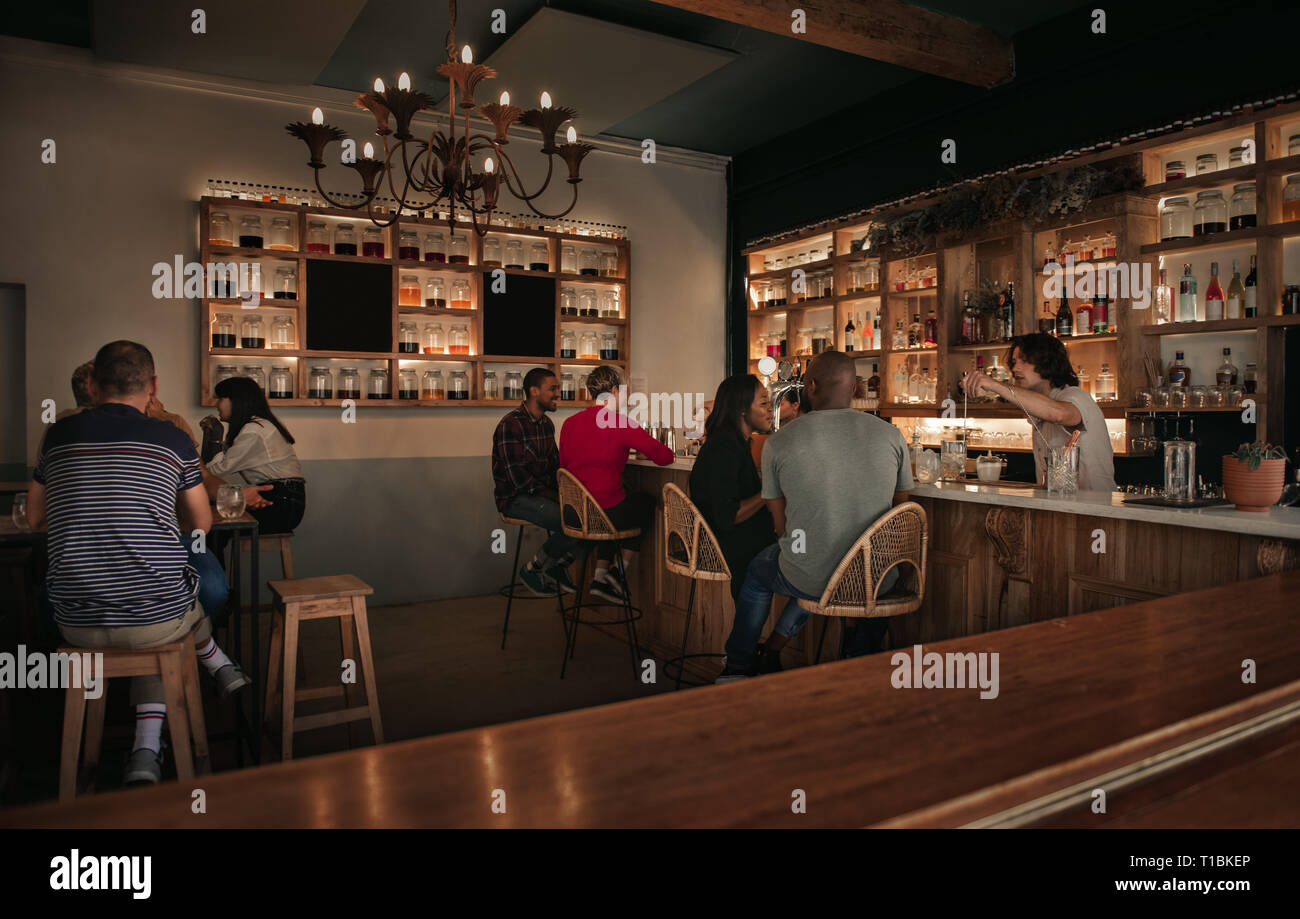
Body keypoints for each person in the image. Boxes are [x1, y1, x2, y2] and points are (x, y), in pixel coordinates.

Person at [25, 341, 251, 786]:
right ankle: (149, 746)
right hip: (154, 619)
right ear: (153, 387)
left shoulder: (57, 435)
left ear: (91, 385)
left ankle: (120, 756)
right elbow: (201, 522)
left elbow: (35, 518)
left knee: (156, 605)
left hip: (73, 620)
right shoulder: (171, 438)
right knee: (169, 611)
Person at [718, 351, 913, 681]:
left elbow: (781, 526)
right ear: (855, 389)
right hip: (877, 578)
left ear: (809, 386)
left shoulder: (778, 443)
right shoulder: (892, 435)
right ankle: (859, 657)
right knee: (868, 574)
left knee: (760, 570)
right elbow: (901, 508)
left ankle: (737, 667)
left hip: (808, 576)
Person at [559, 365, 674, 604]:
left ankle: (601, 577)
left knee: (619, 501)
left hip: (573, 513)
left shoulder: (570, 423)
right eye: (626, 391)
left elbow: (566, 468)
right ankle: (616, 573)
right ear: (614, 390)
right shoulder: (621, 423)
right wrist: (642, 450)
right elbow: (666, 457)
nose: (629, 396)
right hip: (604, 516)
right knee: (643, 504)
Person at [962, 332, 1115, 492]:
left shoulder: (1076, 396)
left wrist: (995, 385)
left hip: (1096, 509)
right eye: (1014, 362)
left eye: (1025, 360)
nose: (1015, 368)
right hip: (1062, 508)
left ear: (1047, 362)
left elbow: (1059, 413)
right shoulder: (1036, 410)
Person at [491, 367, 582, 596]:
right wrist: (557, 496)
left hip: (541, 495)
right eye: (552, 388)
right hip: (515, 499)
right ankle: (534, 569)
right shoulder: (510, 425)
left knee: (589, 515)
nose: (558, 393)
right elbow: (518, 480)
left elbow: (555, 468)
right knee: (573, 520)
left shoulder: (546, 424)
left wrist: (568, 491)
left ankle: (558, 567)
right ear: (533, 391)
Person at [689, 374, 777, 602]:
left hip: (734, 541)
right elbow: (728, 516)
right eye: (764, 403)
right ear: (741, 409)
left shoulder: (732, 442)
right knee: (811, 559)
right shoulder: (724, 449)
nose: (770, 410)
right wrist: (769, 490)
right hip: (729, 546)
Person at [203, 376, 306, 536]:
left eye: (221, 398)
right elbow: (208, 470)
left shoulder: (253, 431)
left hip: (281, 504)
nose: (216, 404)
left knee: (211, 525)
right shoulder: (256, 425)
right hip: (284, 498)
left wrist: (215, 437)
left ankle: (211, 562)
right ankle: (214, 562)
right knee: (208, 515)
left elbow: (215, 470)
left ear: (236, 401)